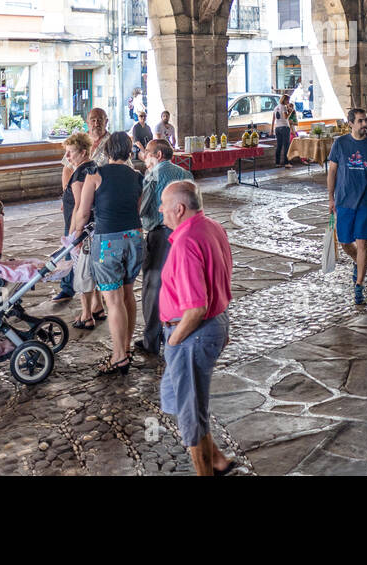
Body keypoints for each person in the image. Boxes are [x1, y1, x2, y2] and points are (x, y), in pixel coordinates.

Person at [157, 180, 235, 476]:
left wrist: (174, 342)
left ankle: (206, 470)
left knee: (190, 412)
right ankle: (216, 459)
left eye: (164, 205)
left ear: (179, 208)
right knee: (175, 396)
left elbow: (196, 308)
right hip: (210, 325)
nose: (160, 210)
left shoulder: (187, 242)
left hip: (192, 332)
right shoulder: (212, 226)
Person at [74, 131, 144, 374]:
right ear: (128, 151)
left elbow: (83, 213)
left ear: (106, 150)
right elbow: (136, 208)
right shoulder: (137, 176)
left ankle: (118, 356)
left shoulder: (95, 175)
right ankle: (126, 346)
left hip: (107, 242)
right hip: (135, 238)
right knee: (128, 294)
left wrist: (75, 236)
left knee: (112, 300)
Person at [326, 108, 367, 305]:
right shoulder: (340, 144)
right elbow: (332, 172)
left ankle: (359, 285)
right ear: (351, 124)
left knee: (362, 243)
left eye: (366, 121)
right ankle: (358, 262)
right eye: (361, 121)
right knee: (345, 242)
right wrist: (330, 198)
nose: (365, 125)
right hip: (344, 200)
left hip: (366, 202)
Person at [137, 138, 192, 357]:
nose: (144, 158)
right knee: (179, 285)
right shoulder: (184, 173)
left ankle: (151, 340)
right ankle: (178, 333)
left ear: (158, 155)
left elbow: (144, 207)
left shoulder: (154, 174)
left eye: (147, 153)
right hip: (184, 233)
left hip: (160, 233)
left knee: (153, 286)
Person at [61, 132, 106, 326]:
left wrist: (74, 234)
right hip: (95, 228)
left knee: (82, 271)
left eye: (71, 152)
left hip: (84, 229)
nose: (68, 157)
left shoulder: (80, 173)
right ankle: (98, 306)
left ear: (83, 152)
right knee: (91, 269)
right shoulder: (93, 168)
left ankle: (86, 314)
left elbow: (80, 207)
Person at [271, 92, 293, 167]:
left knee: (279, 146)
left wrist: (272, 129)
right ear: (284, 100)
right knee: (286, 145)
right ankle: (286, 163)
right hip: (284, 127)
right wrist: (290, 112)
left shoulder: (276, 107)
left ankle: (277, 163)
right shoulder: (283, 107)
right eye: (288, 100)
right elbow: (285, 117)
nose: (288, 102)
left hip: (277, 128)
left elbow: (273, 119)